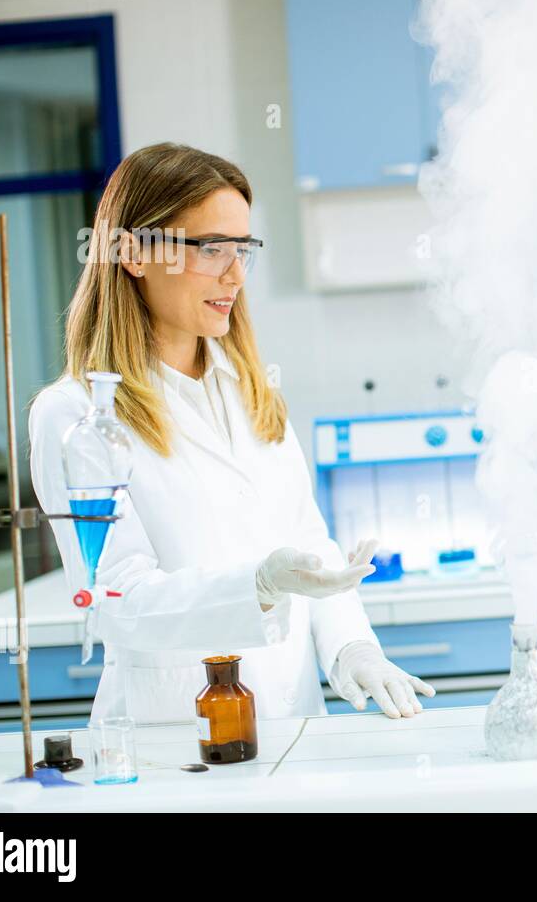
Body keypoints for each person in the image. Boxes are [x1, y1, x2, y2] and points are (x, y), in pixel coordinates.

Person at [30, 143, 434, 723]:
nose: (236, 275)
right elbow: (116, 598)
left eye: (243, 249)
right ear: (134, 253)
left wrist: (353, 648)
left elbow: (308, 543)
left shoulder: (251, 390)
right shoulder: (75, 416)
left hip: (295, 731)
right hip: (175, 741)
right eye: (212, 249)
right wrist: (259, 586)